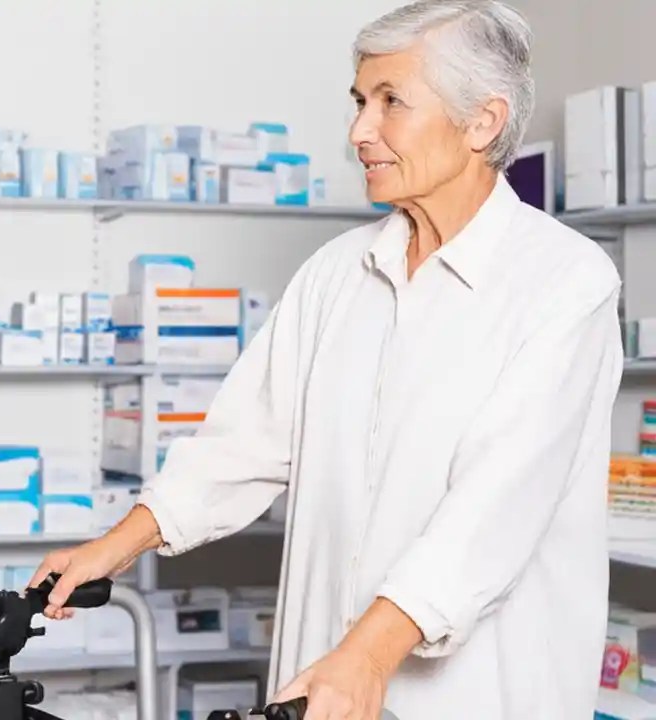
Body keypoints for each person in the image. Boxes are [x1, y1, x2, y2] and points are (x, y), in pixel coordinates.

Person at [32, 2, 620, 718]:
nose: (358, 132)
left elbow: (493, 512)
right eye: (359, 102)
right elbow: (241, 446)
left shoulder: (564, 283)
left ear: (481, 122)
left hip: (475, 695)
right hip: (319, 686)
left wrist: (368, 656)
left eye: (390, 102)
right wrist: (113, 548)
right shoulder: (337, 273)